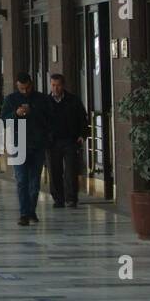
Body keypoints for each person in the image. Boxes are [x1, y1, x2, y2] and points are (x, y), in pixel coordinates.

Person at [0, 73, 51, 226]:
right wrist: (16, 114)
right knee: (22, 180)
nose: (25, 91)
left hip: (37, 144)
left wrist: (32, 111)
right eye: (21, 88)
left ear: (32, 84)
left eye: (27, 87)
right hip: (18, 144)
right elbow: (3, 120)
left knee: (34, 182)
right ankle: (24, 214)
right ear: (17, 86)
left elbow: (48, 119)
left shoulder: (41, 99)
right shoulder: (11, 99)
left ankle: (31, 211)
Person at [46, 73, 88, 209]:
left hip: (70, 140)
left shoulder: (73, 100)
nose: (55, 88)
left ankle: (71, 198)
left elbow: (82, 118)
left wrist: (82, 134)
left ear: (63, 86)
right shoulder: (46, 102)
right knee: (55, 171)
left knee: (71, 170)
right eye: (53, 85)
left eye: (58, 85)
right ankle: (58, 199)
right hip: (53, 142)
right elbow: (41, 121)